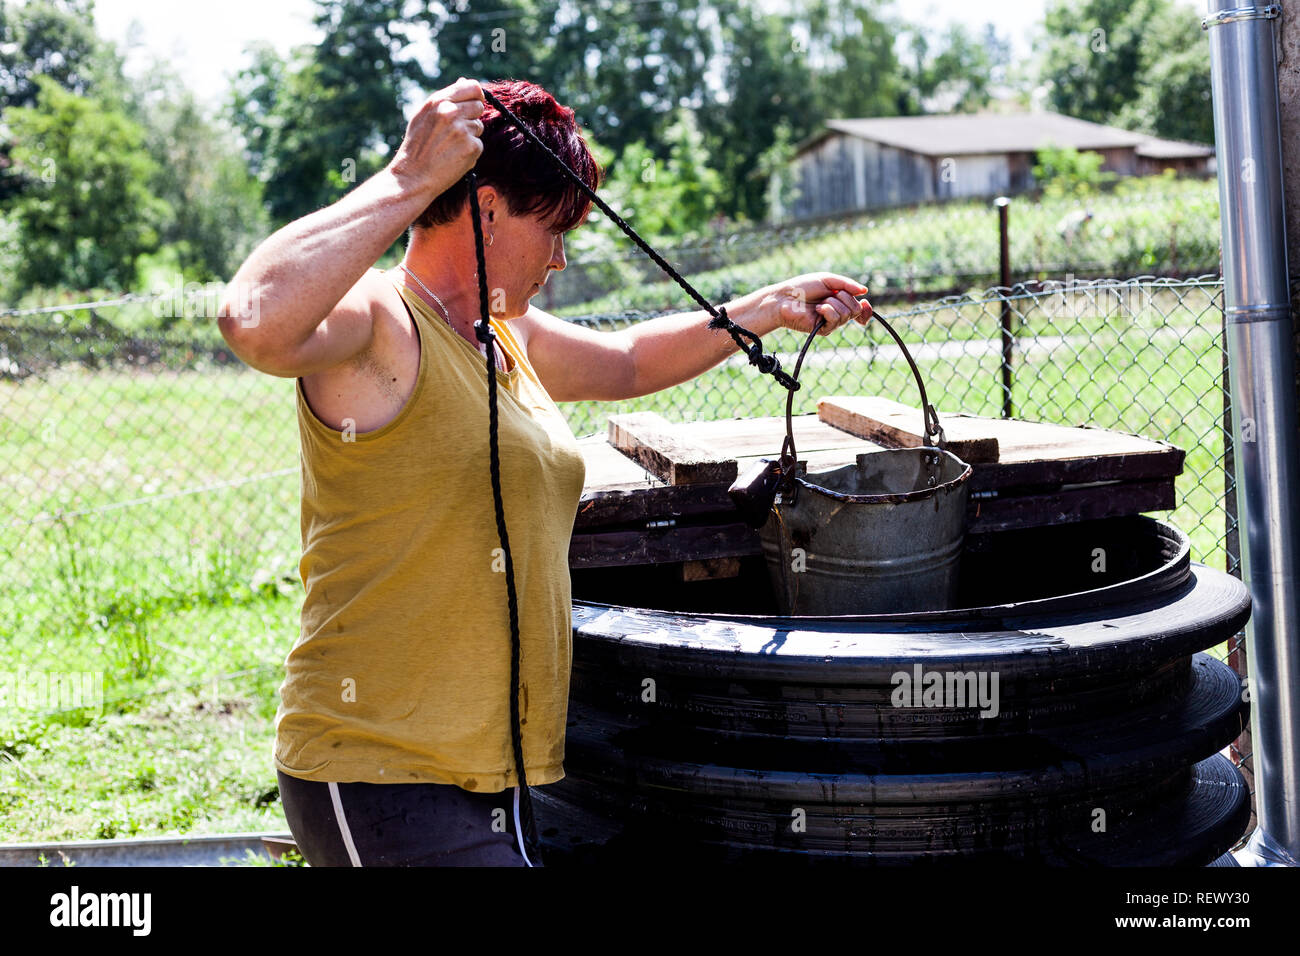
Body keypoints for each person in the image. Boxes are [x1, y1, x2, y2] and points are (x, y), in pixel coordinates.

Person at [216, 76, 872, 866]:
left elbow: (629, 361)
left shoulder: (504, 334)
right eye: (553, 228)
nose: (559, 260)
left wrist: (768, 305)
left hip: (494, 774)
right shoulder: (380, 325)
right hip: (377, 770)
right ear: (487, 208)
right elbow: (250, 320)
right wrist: (406, 178)